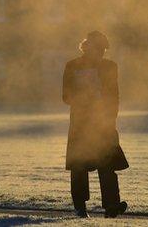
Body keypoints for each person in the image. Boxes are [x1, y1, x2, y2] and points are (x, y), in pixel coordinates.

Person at [62, 30, 128, 218]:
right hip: (81, 123)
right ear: (86, 46)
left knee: (107, 165)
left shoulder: (109, 66)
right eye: (96, 48)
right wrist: (85, 96)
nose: (99, 53)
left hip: (102, 123)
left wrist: (110, 119)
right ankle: (80, 207)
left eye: (102, 49)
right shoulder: (72, 66)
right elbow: (66, 97)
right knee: (79, 166)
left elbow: (114, 96)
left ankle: (112, 206)